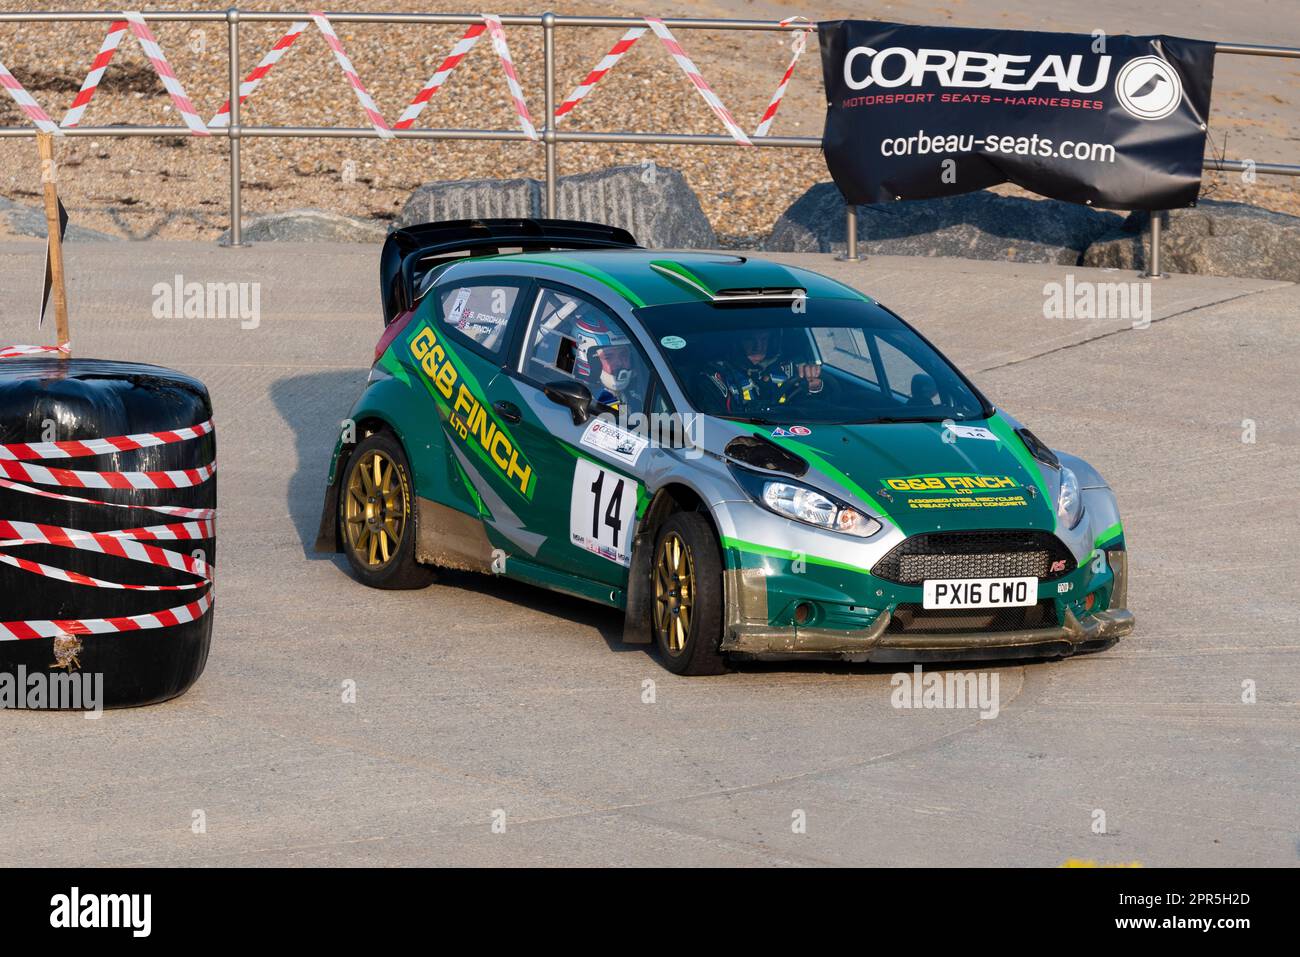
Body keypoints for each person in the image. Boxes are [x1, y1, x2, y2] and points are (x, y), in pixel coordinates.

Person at [705, 328, 823, 410]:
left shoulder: (789, 369)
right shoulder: (717, 375)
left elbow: (812, 410)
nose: (758, 347)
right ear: (736, 342)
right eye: (750, 339)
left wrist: (814, 387)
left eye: (764, 340)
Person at [573, 314, 644, 413]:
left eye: (623, 354)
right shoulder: (590, 400)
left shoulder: (641, 385)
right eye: (608, 357)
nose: (619, 362)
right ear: (586, 358)